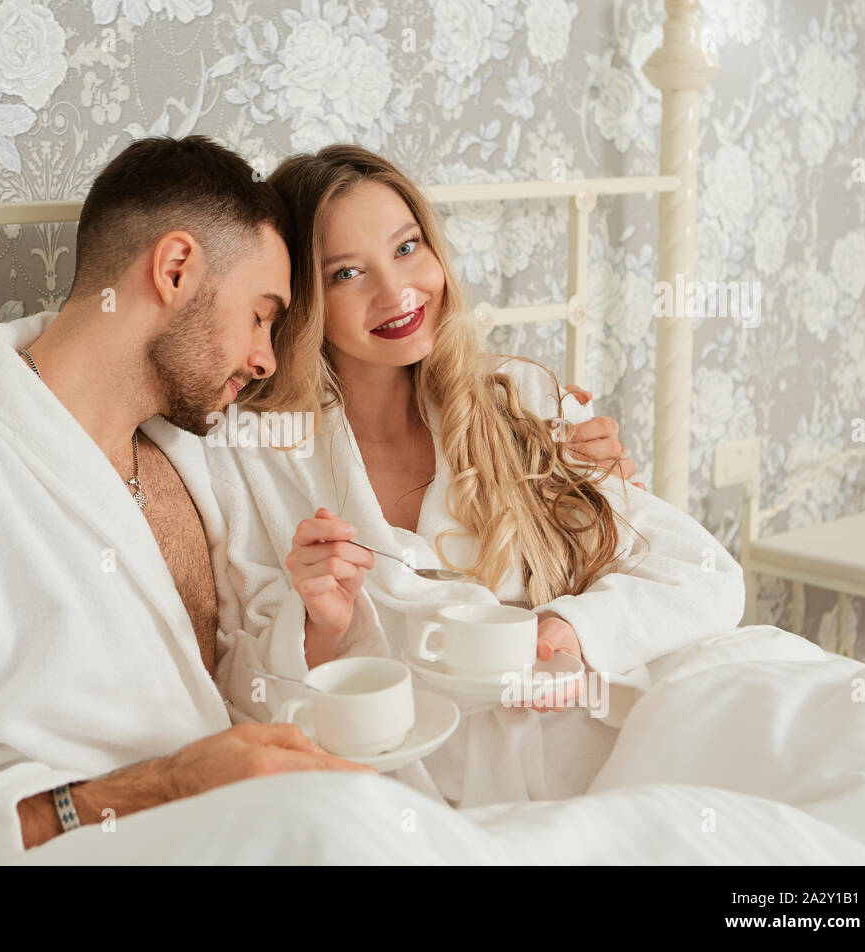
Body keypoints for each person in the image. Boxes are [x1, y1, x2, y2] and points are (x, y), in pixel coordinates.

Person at [0, 135, 631, 864]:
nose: (265, 357)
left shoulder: (197, 459)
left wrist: (542, 450)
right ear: (175, 268)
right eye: (261, 314)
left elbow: (249, 693)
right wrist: (159, 790)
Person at [208, 145, 747, 807]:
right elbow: (247, 693)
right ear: (301, 301)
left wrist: (575, 630)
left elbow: (705, 574)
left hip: (601, 754)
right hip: (420, 793)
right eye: (347, 272)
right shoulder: (258, 455)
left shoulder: (520, 404)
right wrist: (319, 624)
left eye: (407, 249)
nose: (397, 290)